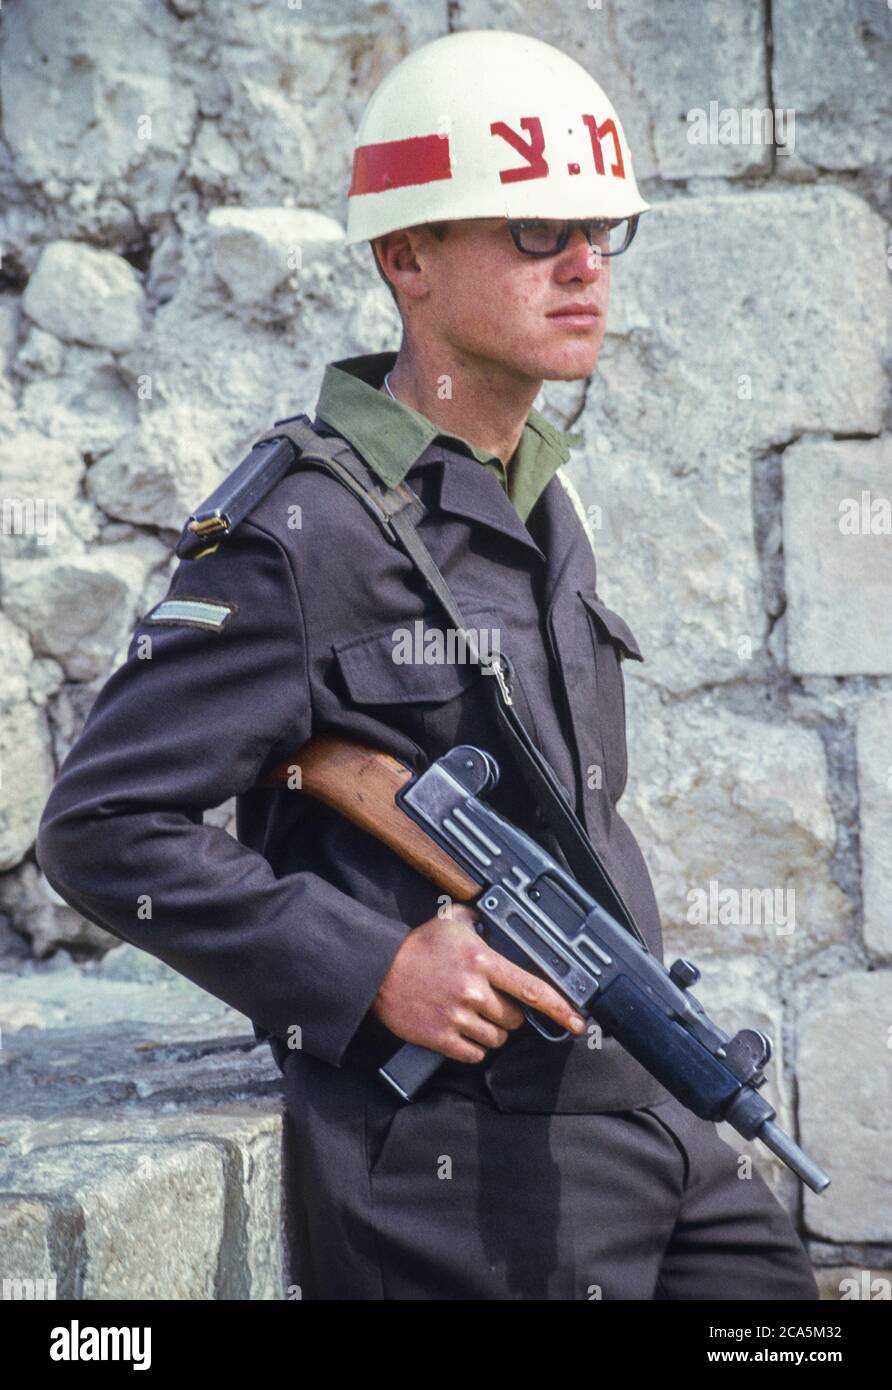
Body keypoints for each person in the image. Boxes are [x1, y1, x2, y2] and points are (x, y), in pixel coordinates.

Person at [36, 29, 819, 1300]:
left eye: (600, 232)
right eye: (532, 233)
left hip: (656, 1124)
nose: (583, 267)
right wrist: (373, 968)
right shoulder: (304, 531)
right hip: (466, 1179)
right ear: (406, 259)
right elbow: (103, 825)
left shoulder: (535, 502)